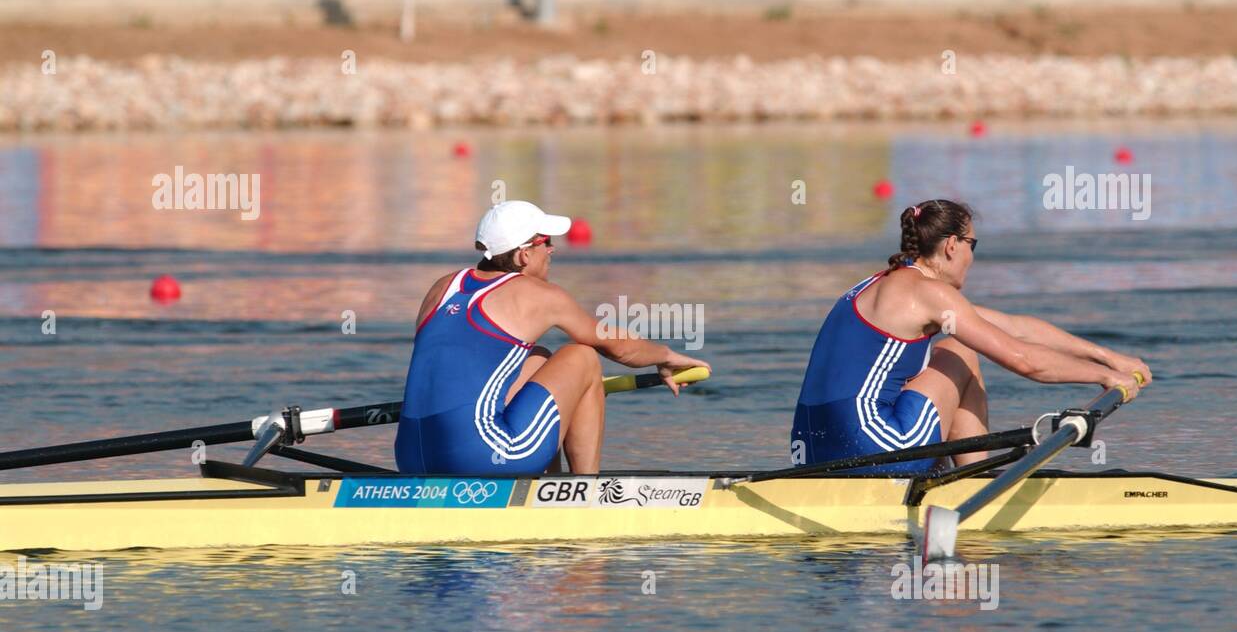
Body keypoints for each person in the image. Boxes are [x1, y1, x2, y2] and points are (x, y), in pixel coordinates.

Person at [791, 199, 1150, 473]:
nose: (971, 258)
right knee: (959, 352)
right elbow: (1025, 361)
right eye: (972, 246)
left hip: (811, 451)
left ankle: (951, 476)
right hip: (874, 447)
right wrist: (1104, 376)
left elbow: (1016, 327)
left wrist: (1109, 357)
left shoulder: (878, 284)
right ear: (951, 246)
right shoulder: (929, 293)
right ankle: (975, 477)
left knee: (941, 352)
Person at [395, 200, 710, 475]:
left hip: (412, 456)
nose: (552, 249)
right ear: (523, 256)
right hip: (481, 456)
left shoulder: (442, 287)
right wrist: (665, 356)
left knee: (538, 359)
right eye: (544, 241)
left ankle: (543, 488)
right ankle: (582, 494)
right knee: (583, 358)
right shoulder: (538, 295)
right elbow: (617, 347)